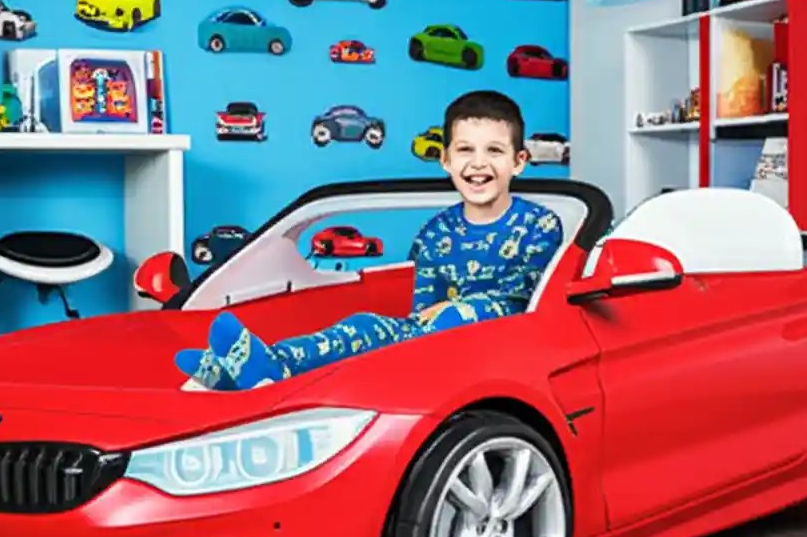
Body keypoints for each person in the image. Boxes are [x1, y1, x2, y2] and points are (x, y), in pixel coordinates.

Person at [174, 90, 565, 390]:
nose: (478, 163)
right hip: (437, 344)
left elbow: (522, 302)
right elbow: (422, 311)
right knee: (363, 325)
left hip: (504, 345)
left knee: (455, 315)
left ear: (518, 161)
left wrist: (450, 315)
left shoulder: (540, 224)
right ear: (446, 160)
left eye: (494, 151)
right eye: (465, 150)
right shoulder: (435, 233)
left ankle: (259, 370)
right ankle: (266, 367)